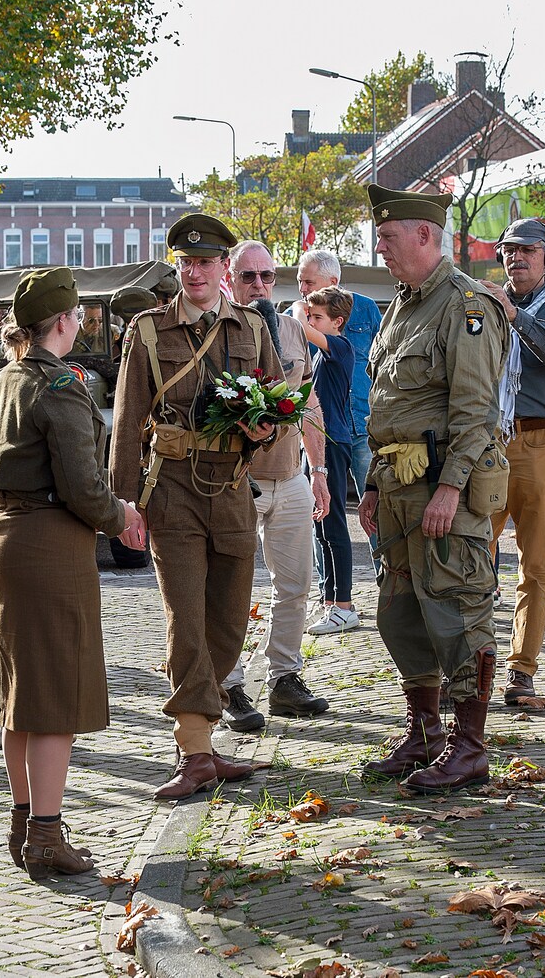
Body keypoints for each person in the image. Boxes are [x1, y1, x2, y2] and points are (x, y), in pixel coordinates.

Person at [0, 265, 145, 879]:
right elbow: (81, 486)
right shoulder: (59, 386)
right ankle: (46, 835)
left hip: (0, 540)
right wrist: (121, 516)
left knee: (17, 690)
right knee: (52, 694)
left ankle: (23, 821)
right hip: (47, 545)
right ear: (66, 321)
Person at [109, 214, 285, 800]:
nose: (195, 272)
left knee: (229, 622)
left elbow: (279, 399)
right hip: (174, 491)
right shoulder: (148, 329)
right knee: (186, 622)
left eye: (206, 263)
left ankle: (206, 739)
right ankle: (195, 750)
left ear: (224, 271)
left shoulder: (252, 329)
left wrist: (264, 429)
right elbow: (129, 418)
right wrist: (124, 503)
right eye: (186, 263)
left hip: (231, 488)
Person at [358, 184, 509, 794]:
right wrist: (371, 485)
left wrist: (450, 489)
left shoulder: (465, 306)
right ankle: (424, 734)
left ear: (425, 235)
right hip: (396, 489)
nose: (380, 248)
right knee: (402, 616)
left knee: (458, 613)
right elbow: (387, 404)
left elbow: (476, 413)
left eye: (389, 239)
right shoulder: (402, 305)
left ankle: (470, 748)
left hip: (444, 490)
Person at [220, 240, 330, 731]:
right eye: (249, 277)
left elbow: (309, 404)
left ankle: (285, 677)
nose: (260, 286)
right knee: (231, 590)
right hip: (237, 483)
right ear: (230, 278)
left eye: (267, 276)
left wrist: (320, 473)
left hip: (291, 479)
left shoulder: (291, 329)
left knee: (296, 586)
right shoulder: (215, 330)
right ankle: (230, 684)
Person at [483, 219, 545, 704]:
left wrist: (515, 317)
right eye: (507, 251)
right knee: (472, 556)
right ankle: (471, 668)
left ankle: (522, 672)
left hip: (542, 442)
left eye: (526, 250)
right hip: (489, 441)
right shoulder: (488, 303)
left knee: (534, 565)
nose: (515, 258)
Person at [294, 286, 358, 634]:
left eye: (318, 317)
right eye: (311, 315)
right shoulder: (321, 354)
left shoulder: (341, 348)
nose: (311, 320)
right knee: (320, 525)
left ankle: (344, 604)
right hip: (318, 441)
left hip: (333, 441)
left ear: (338, 321)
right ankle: (330, 602)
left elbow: (302, 330)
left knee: (333, 523)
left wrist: (291, 315)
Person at [296, 251, 382, 497]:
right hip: (321, 429)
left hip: (363, 424)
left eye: (309, 282)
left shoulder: (367, 308)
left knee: (375, 507)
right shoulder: (302, 316)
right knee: (320, 508)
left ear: (333, 282)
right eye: (300, 281)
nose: (302, 289)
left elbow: (384, 363)